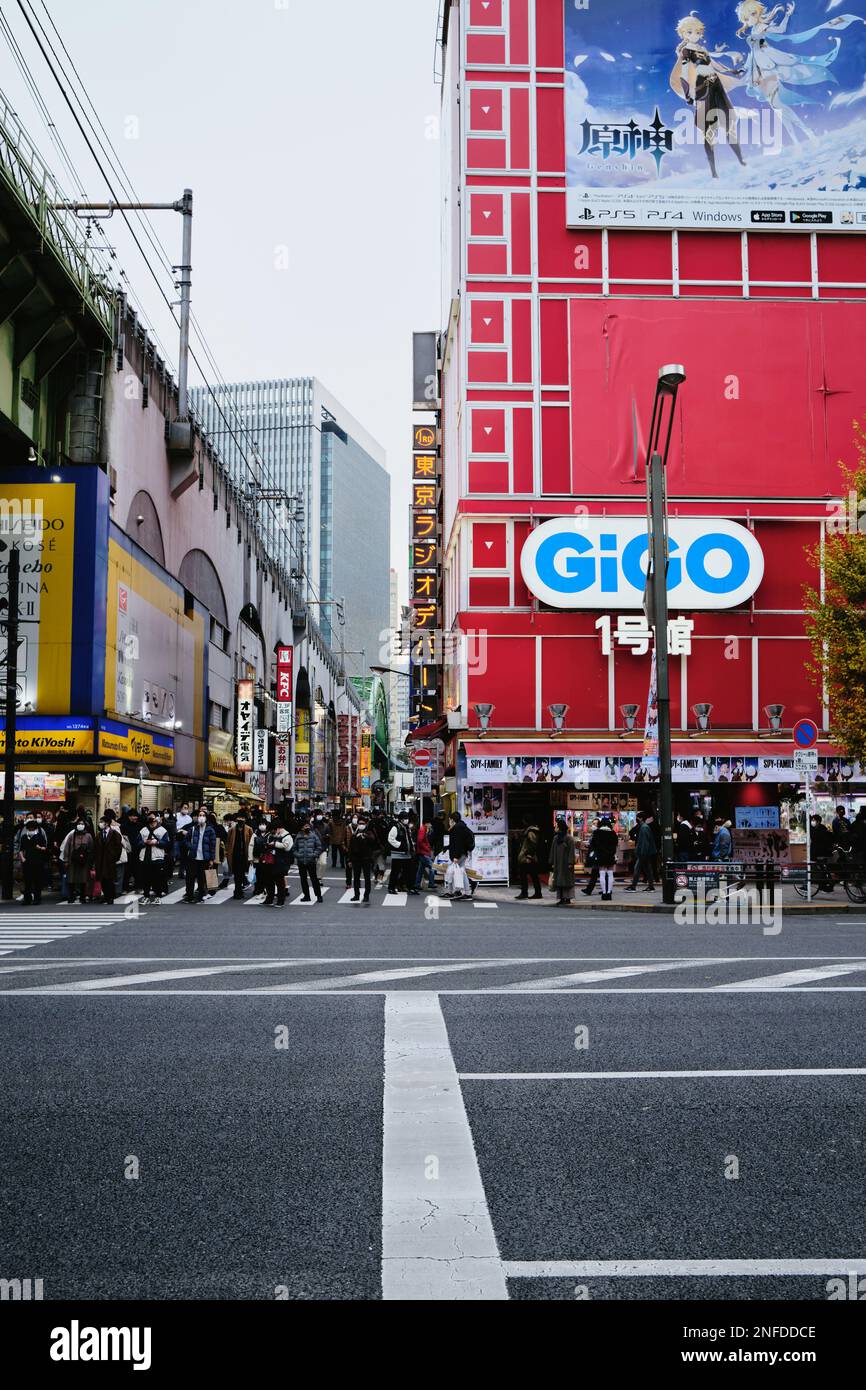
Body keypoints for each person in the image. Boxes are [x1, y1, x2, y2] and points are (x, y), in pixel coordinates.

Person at [61, 817, 95, 903]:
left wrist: (91, 862)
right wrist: (66, 860)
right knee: (71, 879)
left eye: (82, 824)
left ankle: (82, 897)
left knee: (83, 879)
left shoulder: (88, 836)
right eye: (79, 824)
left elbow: (91, 849)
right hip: (73, 860)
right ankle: (71, 896)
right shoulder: (72, 835)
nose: (80, 825)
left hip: (84, 861)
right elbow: (66, 848)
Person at [184, 812, 216, 903]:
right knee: (190, 878)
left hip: (204, 858)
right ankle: (189, 896)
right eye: (200, 815)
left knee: (202, 879)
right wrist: (191, 846)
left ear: (206, 818)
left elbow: (212, 846)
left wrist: (212, 859)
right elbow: (185, 840)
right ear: (197, 817)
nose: (201, 817)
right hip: (193, 857)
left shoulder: (210, 830)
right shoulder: (193, 829)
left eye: (203, 815)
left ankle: (200, 896)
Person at [93, 810, 123, 905]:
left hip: (110, 860)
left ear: (107, 823)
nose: (100, 824)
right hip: (100, 860)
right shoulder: (99, 835)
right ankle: (105, 896)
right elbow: (95, 848)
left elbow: (119, 847)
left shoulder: (114, 834)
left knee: (110, 880)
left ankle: (110, 897)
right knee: (102, 879)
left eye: (102, 822)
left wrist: (114, 858)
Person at [138, 814, 170, 903]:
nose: (152, 823)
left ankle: (158, 896)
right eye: (151, 822)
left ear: (157, 821)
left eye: (154, 821)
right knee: (145, 878)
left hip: (157, 858)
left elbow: (166, 843)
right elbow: (137, 843)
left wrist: (157, 842)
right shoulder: (143, 830)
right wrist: (144, 842)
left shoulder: (162, 830)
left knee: (158, 878)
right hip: (144, 857)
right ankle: (146, 895)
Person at [18, 815, 49, 905]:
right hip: (27, 861)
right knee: (27, 881)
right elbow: (21, 849)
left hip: (38, 861)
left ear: (35, 828)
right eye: (29, 828)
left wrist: (40, 848)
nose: (31, 830)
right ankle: (27, 899)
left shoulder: (39, 836)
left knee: (37, 881)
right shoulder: (24, 837)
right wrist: (22, 858)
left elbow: (45, 848)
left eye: (32, 828)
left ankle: (37, 898)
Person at [445, 812, 475, 900]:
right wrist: (447, 847)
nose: (449, 821)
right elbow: (456, 843)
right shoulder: (461, 826)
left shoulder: (457, 828)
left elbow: (458, 844)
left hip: (459, 854)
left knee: (454, 871)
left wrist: (456, 857)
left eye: (449, 819)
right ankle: (459, 891)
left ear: (452, 819)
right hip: (463, 853)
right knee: (459, 872)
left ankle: (463, 892)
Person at [588, 816, 618, 901]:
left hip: (601, 856)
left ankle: (604, 893)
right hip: (610, 856)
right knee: (610, 874)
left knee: (602, 874)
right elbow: (615, 844)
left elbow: (593, 844)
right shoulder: (613, 833)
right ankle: (609, 893)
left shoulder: (597, 832)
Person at [293, 818, 324, 902]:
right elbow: (294, 848)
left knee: (314, 879)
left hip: (311, 861)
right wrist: (298, 855)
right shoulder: (298, 836)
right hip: (301, 861)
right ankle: (306, 896)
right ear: (301, 828)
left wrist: (314, 855)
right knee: (303, 880)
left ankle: (319, 895)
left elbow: (319, 847)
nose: (307, 827)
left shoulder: (313, 835)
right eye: (305, 826)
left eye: (308, 825)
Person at [348, 815, 376, 903]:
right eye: (359, 823)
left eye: (362, 823)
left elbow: (373, 840)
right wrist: (350, 860)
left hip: (366, 858)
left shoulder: (368, 833)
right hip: (356, 859)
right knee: (356, 878)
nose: (361, 825)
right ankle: (356, 895)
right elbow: (350, 848)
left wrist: (364, 835)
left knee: (367, 878)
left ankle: (366, 895)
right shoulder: (354, 835)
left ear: (366, 824)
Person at [264, 824, 294, 906]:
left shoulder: (286, 836)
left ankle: (281, 901)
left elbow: (287, 847)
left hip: (281, 862)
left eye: (273, 830)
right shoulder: (270, 835)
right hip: (270, 861)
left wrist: (274, 844)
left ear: (277, 828)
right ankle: (269, 899)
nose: (272, 832)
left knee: (279, 882)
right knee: (269, 881)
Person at [550, 817, 576, 906]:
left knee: (567, 881)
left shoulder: (569, 838)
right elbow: (552, 850)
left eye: (556, 826)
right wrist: (552, 862)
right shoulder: (556, 838)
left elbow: (571, 851)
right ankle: (561, 897)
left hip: (566, 863)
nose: (555, 827)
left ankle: (568, 898)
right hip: (558, 863)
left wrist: (570, 862)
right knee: (559, 880)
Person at [626, 816, 657, 891]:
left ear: (641, 818)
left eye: (638, 817)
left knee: (637, 869)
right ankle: (650, 886)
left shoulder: (644, 828)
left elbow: (644, 842)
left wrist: (642, 853)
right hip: (645, 852)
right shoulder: (644, 827)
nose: (636, 819)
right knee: (647, 869)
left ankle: (633, 886)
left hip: (643, 853)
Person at [515, 815, 542, 900]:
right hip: (529, 857)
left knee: (524, 876)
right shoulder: (531, 831)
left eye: (524, 821)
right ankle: (537, 893)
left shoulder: (531, 831)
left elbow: (533, 845)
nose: (523, 823)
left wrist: (528, 856)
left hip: (528, 858)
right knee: (533, 876)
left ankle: (525, 893)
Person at [226, 815, 253, 899]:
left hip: (244, 855)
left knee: (241, 874)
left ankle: (238, 891)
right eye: (239, 819)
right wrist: (226, 853)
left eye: (242, 818)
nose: (241, 820)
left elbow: (252, 843)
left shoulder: (249, 829)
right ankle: (238, 891)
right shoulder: (232, 830)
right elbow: (228, 843)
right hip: (234, 855)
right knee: (237, 874)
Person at [387, 814, 415, 894]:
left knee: (408, 872)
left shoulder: (406, 827)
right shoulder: (396, 827)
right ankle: (391, 887)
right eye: (405, 818)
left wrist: (412, 847)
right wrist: (399, 845)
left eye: (407, 818)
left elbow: (409, 839)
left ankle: (407, 887)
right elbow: (390, 838)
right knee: (395, 872)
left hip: (407, 854)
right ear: (401, 820)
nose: (407, 820)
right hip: (398, 854)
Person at [810, 814, 835, 892]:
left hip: (818, 853)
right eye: (812, 820)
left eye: (813, 820)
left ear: (818, 821)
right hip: (823, 852)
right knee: (822, 868)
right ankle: (825, 884)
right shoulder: (822, 828)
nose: (812, 822)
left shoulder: (816, 829)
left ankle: (824, 884)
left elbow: (815, 839)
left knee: (817, 868)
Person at [415, 820, 436, 892]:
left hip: (422, 852)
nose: (431, 825)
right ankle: (431, 883)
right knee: (432, 867)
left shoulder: (424, 829)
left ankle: (417, 884)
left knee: (420, 869)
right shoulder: (422, 830)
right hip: (424, 852)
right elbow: (420, 841)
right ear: (427, 823)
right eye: (430, 824)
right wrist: (427, 848)